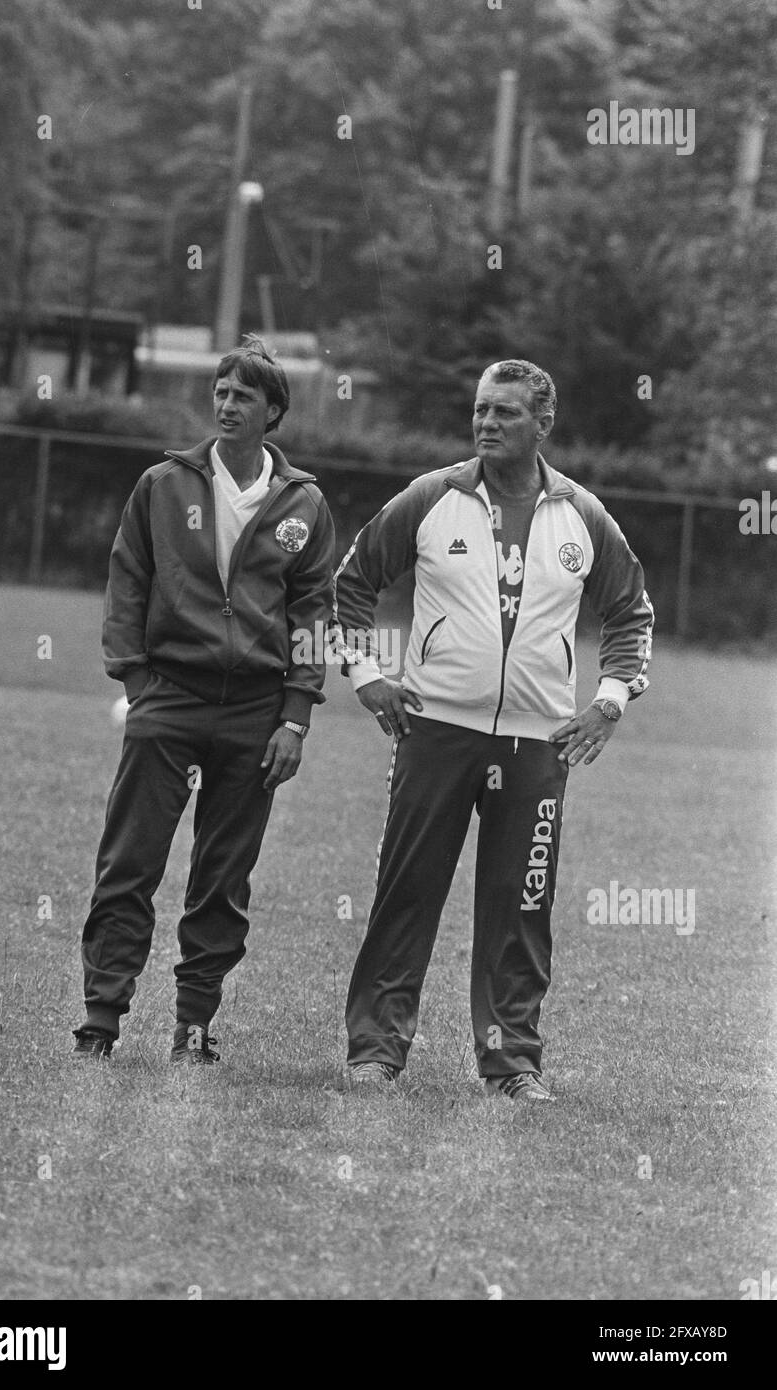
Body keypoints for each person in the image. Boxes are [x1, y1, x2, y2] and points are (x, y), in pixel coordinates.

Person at [332, 359, 654, 1101]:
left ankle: (511, 1065)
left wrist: (608, 699)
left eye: (505, 413)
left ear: (543, 424)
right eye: (481, 409)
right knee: (407, 892)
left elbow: (631, 612)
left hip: (539, 745)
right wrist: (366, 672)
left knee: (522, 907)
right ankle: (376, 1051)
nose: (486, 423)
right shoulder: (430, 498)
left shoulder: (583, 516)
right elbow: (351, 585)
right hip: (435, 731)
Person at [72, 336, 335, 1063]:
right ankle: (100, 1020)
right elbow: (128, 578)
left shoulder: (304, 503)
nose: (225, 404)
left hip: (257, 714)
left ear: (272, 411)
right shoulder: (163, 483)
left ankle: (193, 1025)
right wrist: (133, 679)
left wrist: (297, 714)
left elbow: (315, 612)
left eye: (242, 395)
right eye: (220, 391)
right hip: (169, 696)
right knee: (130, 864)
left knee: (223, 880)